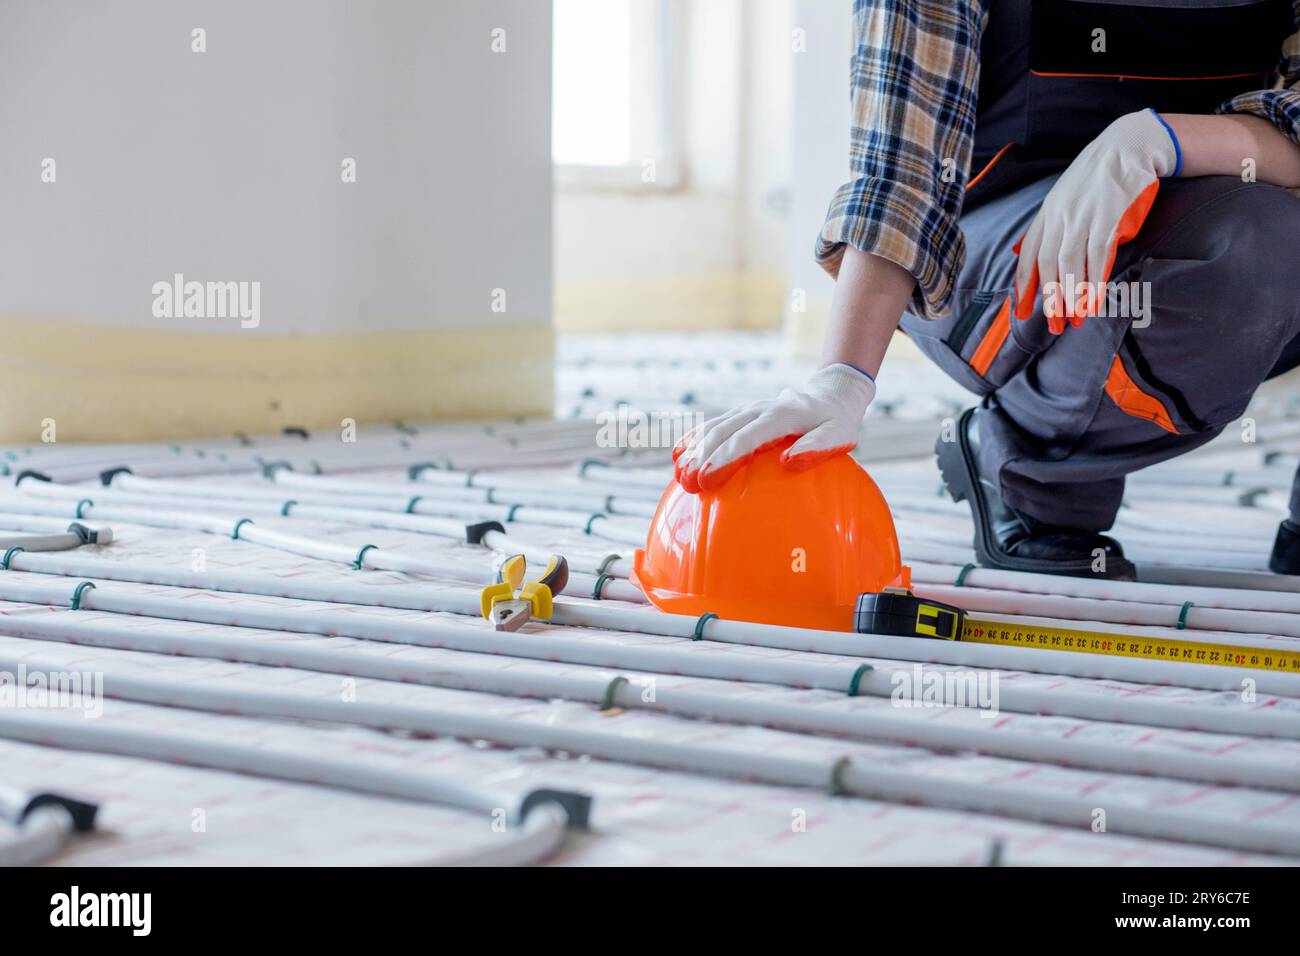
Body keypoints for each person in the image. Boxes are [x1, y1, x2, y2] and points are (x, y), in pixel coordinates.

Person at [673, 0, 1300, 581]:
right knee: (1252, 249)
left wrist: (1160, 141)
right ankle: (1029, 468)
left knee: (1269, 232)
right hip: (986, 253)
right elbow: (902, 168)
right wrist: (842, 376)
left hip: (1213, 190)